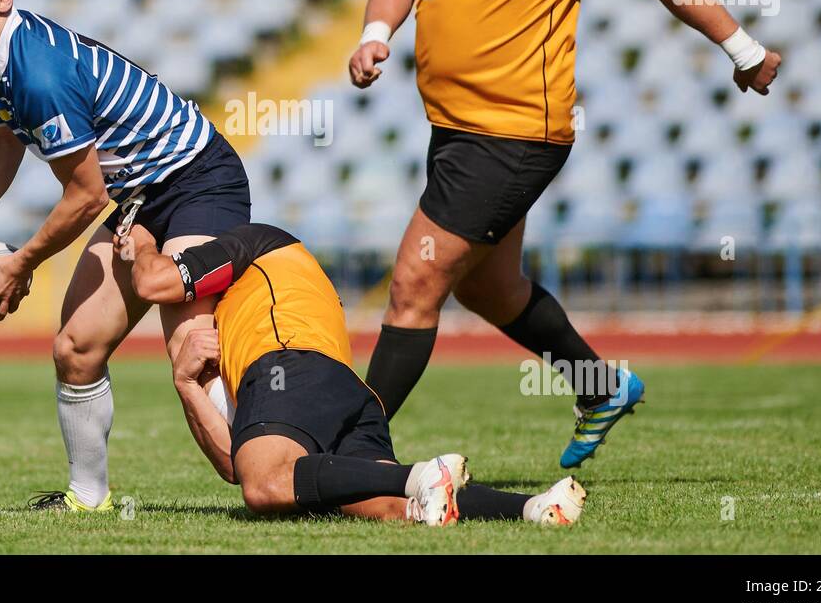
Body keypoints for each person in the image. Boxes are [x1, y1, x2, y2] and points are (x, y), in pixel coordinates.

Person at [347, 0, 781, 468]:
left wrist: (744, 47)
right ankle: (599, 386)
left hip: (514, 133)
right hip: (454, 131)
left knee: (415, 282)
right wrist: (374, 36)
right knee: (490, 289)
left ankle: (353, 445)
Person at [0, 0, 250, 512]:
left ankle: (281, 476)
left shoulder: (39, 72)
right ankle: (88, 499)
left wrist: (20, 264)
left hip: (199, 179)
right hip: (136, 199)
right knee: (75, 349)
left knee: (191, 352)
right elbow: (2, 140)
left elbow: (84, 195)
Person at [117, 220, 587, 526]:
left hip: (288, 364)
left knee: (267, 486)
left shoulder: (251, 243)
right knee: (394, 507)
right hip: (344, 392)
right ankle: (533, 507)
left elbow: (156, 281)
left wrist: (142, 242)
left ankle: (425, 472)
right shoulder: (288, 290)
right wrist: (185, 385)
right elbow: (235, 468)